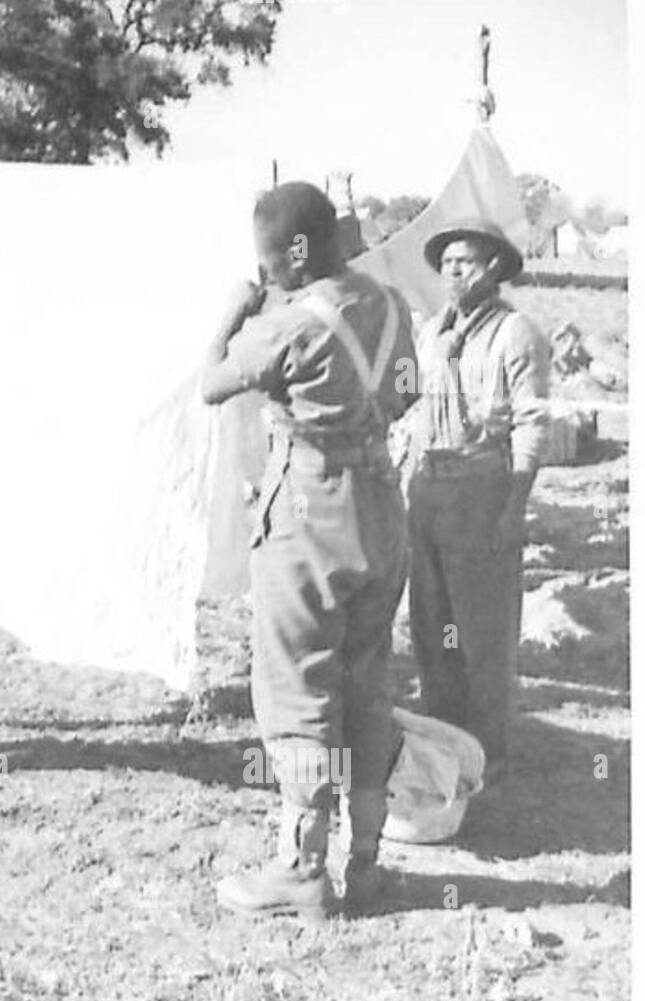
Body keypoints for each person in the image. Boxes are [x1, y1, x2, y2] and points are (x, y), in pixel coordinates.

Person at [201, 182, 417, 916]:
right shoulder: (392, 307)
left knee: (298, 689)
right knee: (366, 681)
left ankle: (301, 869)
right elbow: (404, 395)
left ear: (294, 255)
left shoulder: (285, 323)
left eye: (270, 263)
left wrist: (234, 313)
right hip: (382, 506)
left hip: (308, 510)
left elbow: (211, 385)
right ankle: (367, 863)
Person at [405, 218, 550, 790]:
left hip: (482, 489)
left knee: (481, 628)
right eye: (446, 263)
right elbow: (411, 403)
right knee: (432, 620)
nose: (453, 272)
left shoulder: (516, 333)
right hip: (429, 489)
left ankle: (490, 749)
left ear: (493, 267)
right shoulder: (431, 334)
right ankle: (444, 731)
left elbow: (531, 424)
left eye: (465, 261)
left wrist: (513, 507)